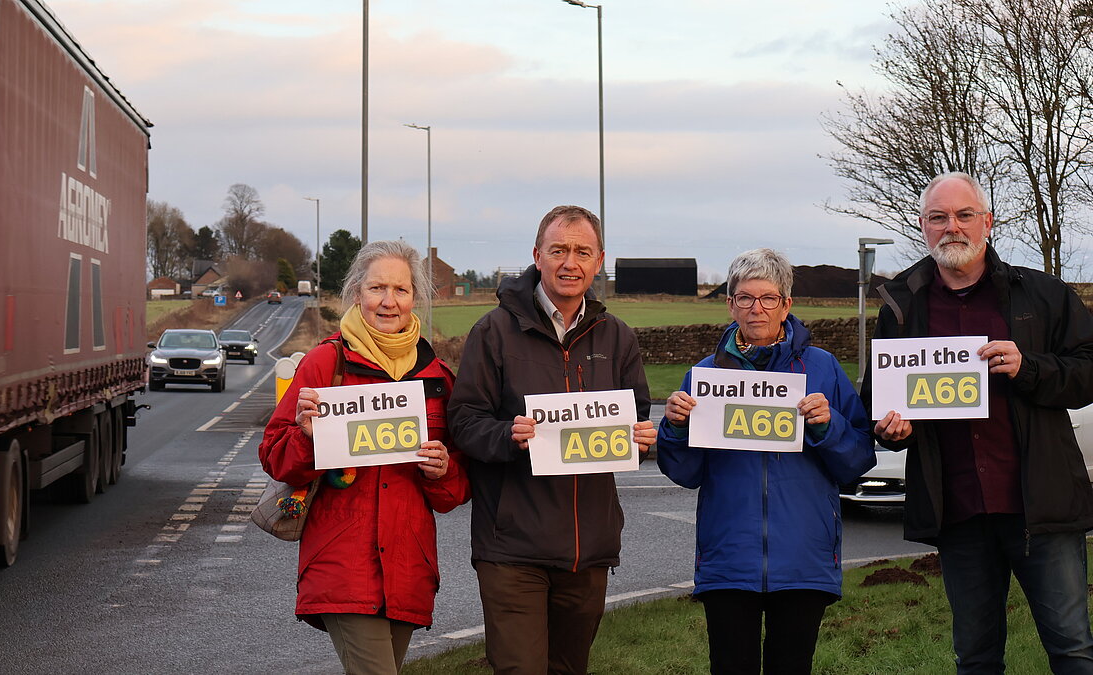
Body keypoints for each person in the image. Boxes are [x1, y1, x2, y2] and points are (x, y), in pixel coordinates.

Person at [864, 171, 1093, 673]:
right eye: (939, 217)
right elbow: (877, 403)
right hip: (959, 510)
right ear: (923, 227)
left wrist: (1029, 367)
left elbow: (1088, 371)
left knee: (1073, 650)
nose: (953, 227)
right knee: (976, 657)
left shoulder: (1043, 294)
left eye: (965, 215)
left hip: (1040, 507)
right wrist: (890, 429)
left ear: (987, 222)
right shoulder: (901, 306)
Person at [447, 205, 657, 675]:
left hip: (588, 550)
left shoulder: (617, 336)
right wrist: (507, 435)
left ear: (599, 260)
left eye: (582, 252)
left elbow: (635, 417)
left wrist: (642, 437)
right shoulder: (494, 332)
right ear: (537, 256)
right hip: (512, 548)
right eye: (559, 250)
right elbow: (463, 421)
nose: (570, 262)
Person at [656, 248, 875, 675]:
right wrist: (676, 427)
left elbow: (857, 459)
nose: (757, 308)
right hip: (728, 560)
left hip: (803, 560)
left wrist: (826, 427)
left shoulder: (824, 369)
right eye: (745, 298)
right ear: (730, 304)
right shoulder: (705, 375)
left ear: (786, 303)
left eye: (768, 298)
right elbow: (684, 472)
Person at [258, 240, 469, 675]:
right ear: (357, 293)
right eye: (377, 288)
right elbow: (276, 457)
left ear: (415, 298)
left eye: (401, 290)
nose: (388, 302)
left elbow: (454, 493)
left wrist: (443, 470)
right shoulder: (324, 363)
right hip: (342, 562)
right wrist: (308, 438)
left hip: (408, 568)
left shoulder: (438, 377)